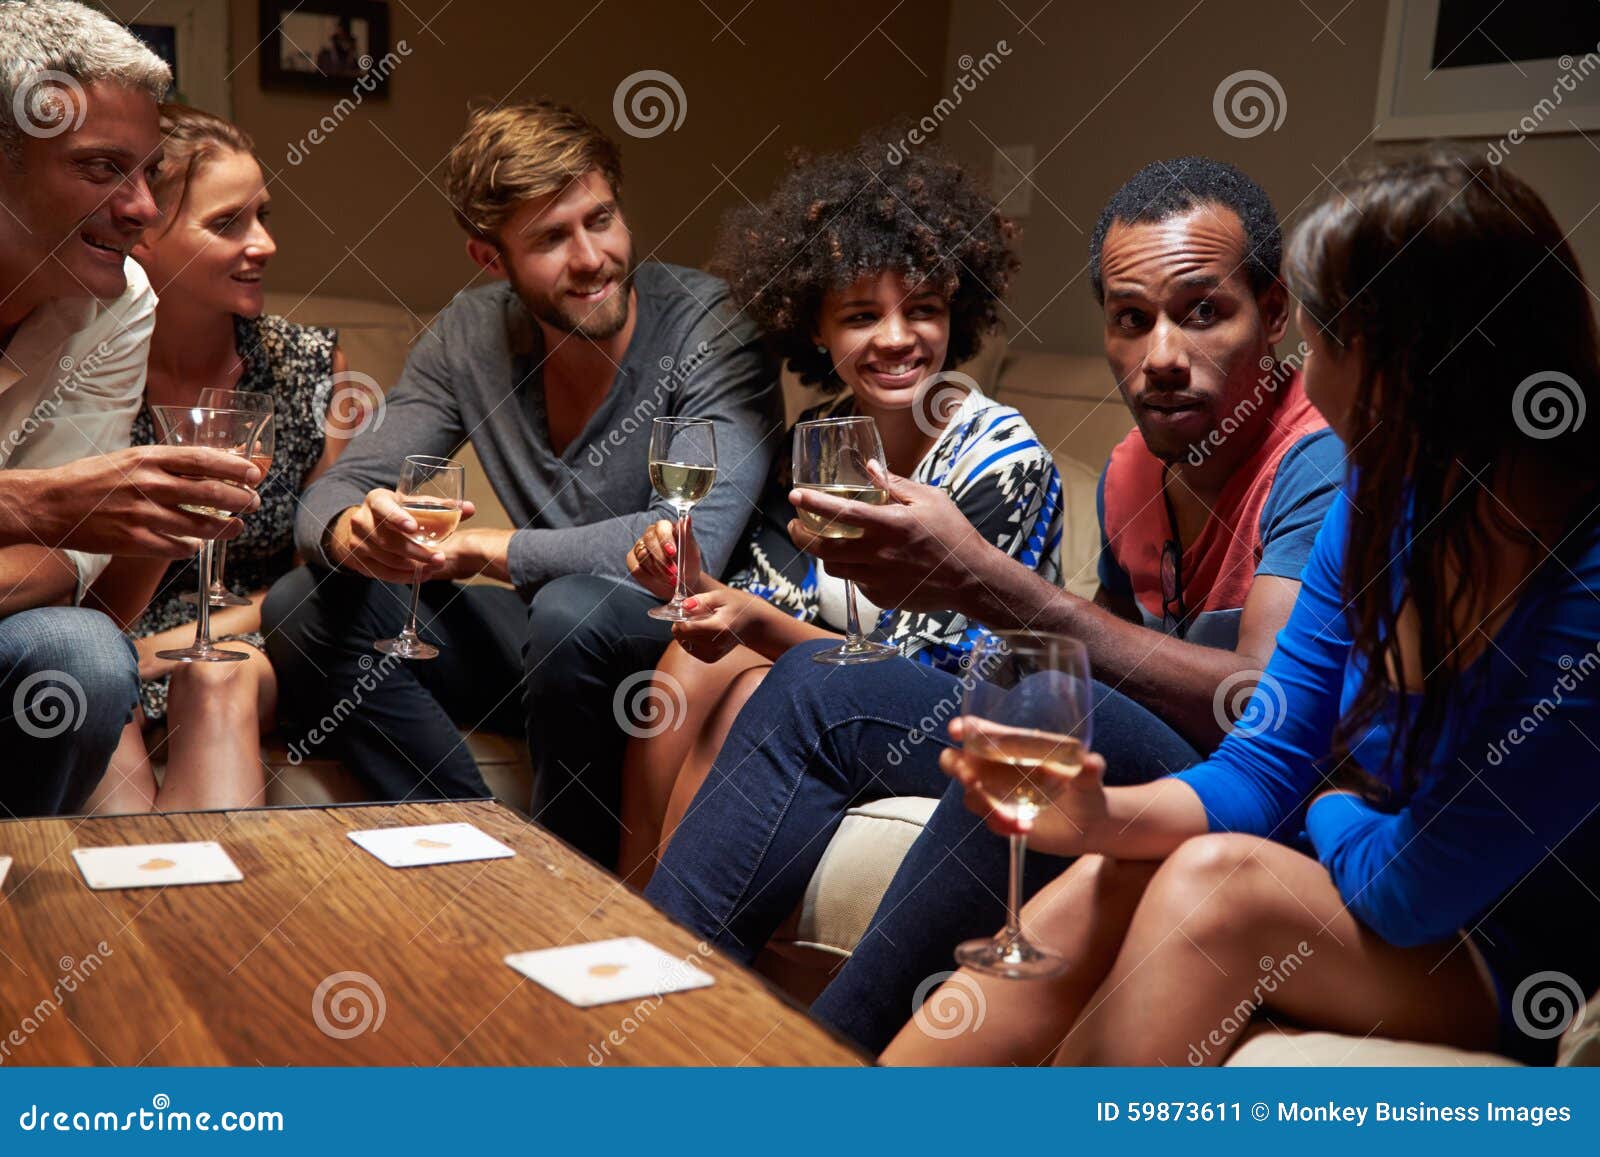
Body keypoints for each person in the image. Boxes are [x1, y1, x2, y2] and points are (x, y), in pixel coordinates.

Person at [887, 153, 1600, 1067]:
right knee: (1115, 870)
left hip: (1510, 958)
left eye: (1322, 336)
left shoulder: (1584, 572)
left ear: (1401, 359)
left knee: (1218, 885)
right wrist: (1101, 817)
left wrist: (1330, 803)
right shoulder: (1380, 497)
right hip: (1380, 886)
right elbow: (1266, 764)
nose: (1303, 368)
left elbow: (1409, 887)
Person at [643, 156, 1346, 1052]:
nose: (1163, 354)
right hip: (1147, 757)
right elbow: (1100, 651)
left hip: (1250, 802)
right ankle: (652, 1017)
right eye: (1133, 320)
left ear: (1274, 313)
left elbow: (1262, 711)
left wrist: (980, 577)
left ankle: (832, 1055)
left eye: (1204, 310)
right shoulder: (1135, 467)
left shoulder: (1314, 465)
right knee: (821, 678)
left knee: (1051, 712)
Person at [262, 100, 781, 863]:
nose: (591, 257)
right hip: (549, 641)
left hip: (687, 641)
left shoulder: (713, 329)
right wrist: (357, 531)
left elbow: (685, 539)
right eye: (549, 238)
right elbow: (332, 498)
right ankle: (475, 853)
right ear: (489, 258)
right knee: (303, 605)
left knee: (575, 610)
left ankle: (570, 882)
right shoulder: (469, 336)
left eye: (600, 219)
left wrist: (484, 550)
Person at [615, 139, 1061, 882]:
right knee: (683, 663)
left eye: (922, 309)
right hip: (831, 695)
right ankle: (627, 905)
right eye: (860, 315)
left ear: (958, 311)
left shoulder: (1005, 462)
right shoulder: (815, 440)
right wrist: (695, 581)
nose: (895, 338)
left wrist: (747, 620)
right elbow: (770, 599)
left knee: (756, 687)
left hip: (957, 719)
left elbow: (924, 666)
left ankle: (670, 931)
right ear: (816, 330)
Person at [0, 0, 260, 817]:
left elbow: (64, 571)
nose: (143, 207)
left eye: (147, 171)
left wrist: (65, 527)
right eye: (102, 167)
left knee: (78, 651)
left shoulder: (117, 302)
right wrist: (29, 502)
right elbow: (54, 520)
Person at [83, 104, 352, 813]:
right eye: (227, 223)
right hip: (104, 629)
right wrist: (123, 655)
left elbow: (312, 585)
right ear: (143, 239)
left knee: (217, 677)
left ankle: (220, 915)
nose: (263, 242)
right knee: (93, 692)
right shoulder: (81, 370)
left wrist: (166, 647)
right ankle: (131, 914)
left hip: (250, 633)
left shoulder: (306, 370)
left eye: (262, 214)